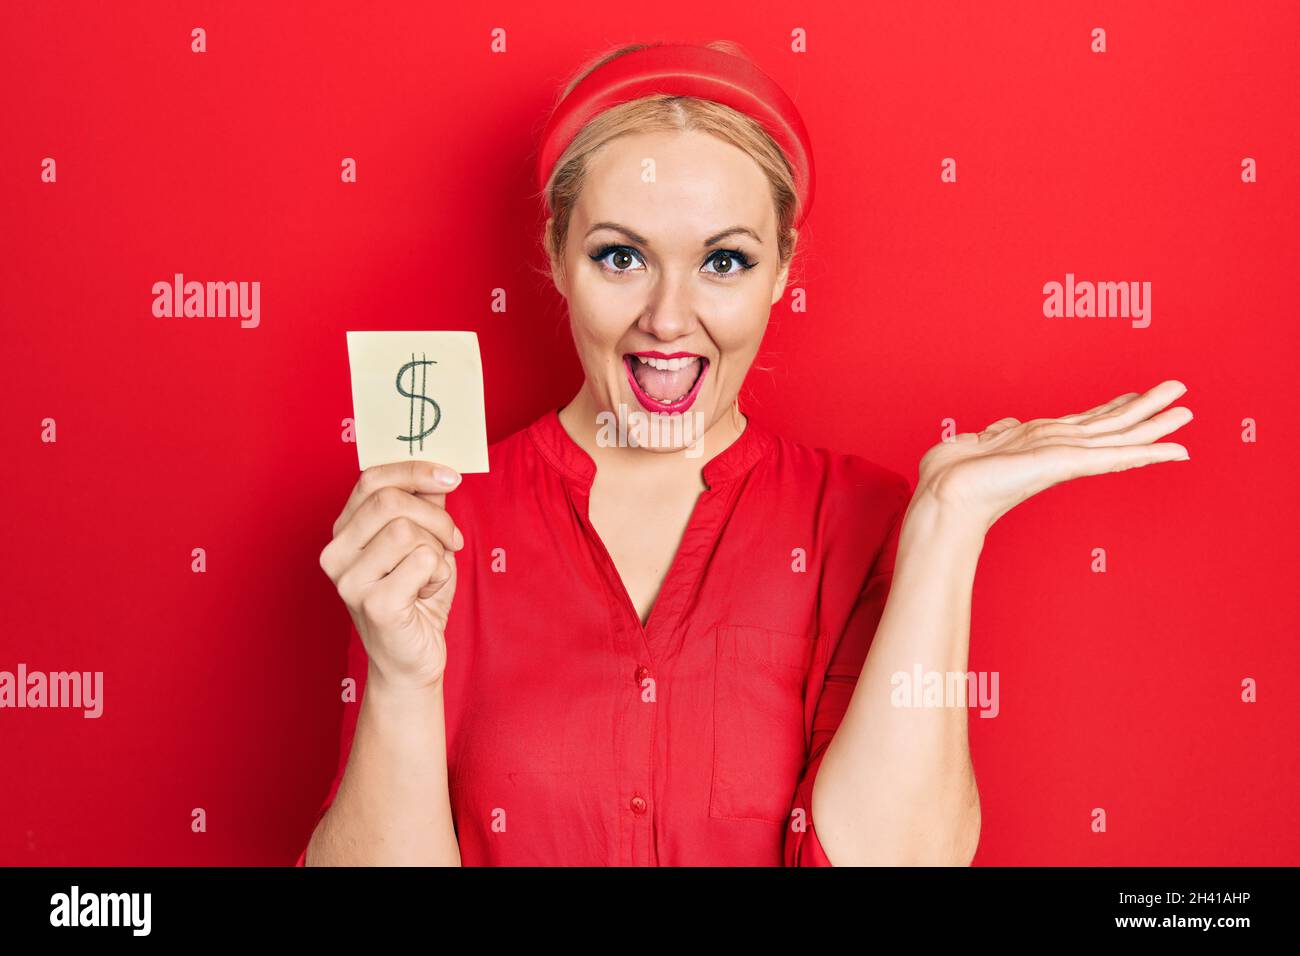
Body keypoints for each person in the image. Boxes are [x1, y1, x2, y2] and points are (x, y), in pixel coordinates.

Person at [298, 40, 1192, 866]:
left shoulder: (866, 519)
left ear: (783, 270)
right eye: (620, 257)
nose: (668, 317)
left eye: (723, 263)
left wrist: (947, 527)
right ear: (556, 255)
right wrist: (402, 679)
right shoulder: (432, 524)